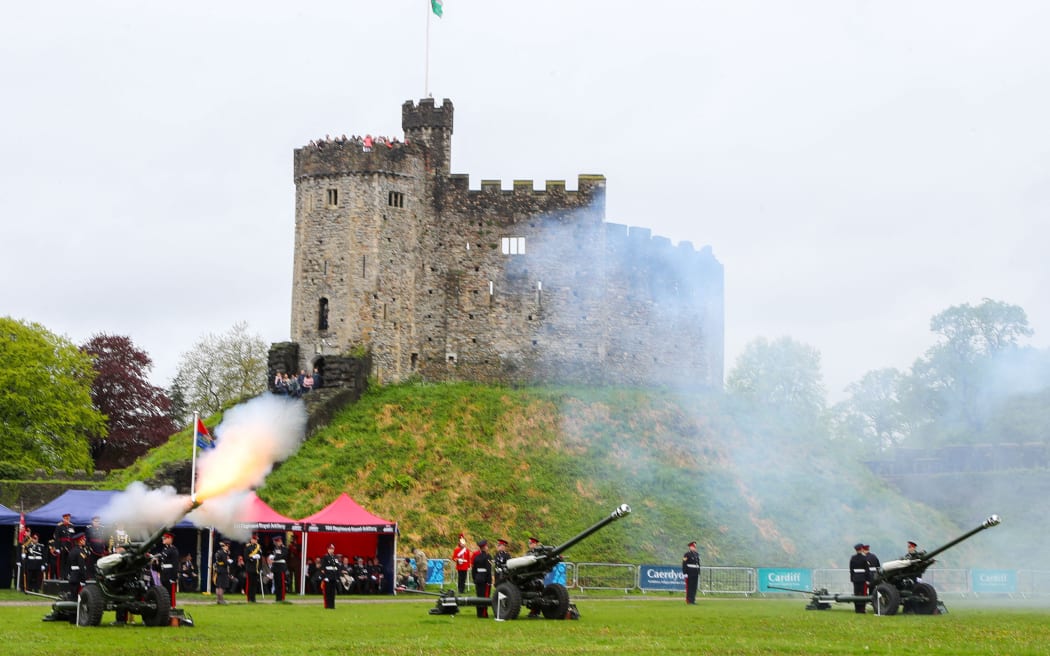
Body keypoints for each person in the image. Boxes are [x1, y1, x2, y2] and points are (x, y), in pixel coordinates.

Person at [156, 532, 179, 608]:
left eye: (165, 538)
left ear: (170, 539)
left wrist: (174, 577)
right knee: (164, 592)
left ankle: (171, 606)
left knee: (169, 592)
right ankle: (166, 606)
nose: (163, 540)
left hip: (169, 574)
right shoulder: (164, 549)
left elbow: (175, 565)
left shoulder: (173, 550)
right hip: (164, 573)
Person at [471, 540, 492, 618]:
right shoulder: (488, 557)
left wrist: (475, 578)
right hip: (485, 579)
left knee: (479, 596)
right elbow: (489, 570)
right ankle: (484, 613)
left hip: (478, 578)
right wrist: (489, 581)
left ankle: (479, 613)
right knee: (485, 597)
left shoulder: (476, 557)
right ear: (484, 547)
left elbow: (474, 570)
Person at [66, 533, 89, 599]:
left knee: (73, 596)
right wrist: (83, 580)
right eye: (83, 540)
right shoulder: (79, 552)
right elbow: (81, 566)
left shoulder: (72, 550)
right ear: (79, 541)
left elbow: (68, 564)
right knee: (78, 598)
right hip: (78, 577)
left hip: (73, 576)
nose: (84, 541)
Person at [849, 543, 869, 614]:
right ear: (861, 549)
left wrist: (852, 578)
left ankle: (857, 609)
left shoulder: (852, 558)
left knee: (856, 593)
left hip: (855, 578)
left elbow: (851, 569)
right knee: (863, 594)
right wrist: (867, 579)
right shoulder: (864, 558)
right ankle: (862, 609)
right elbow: (867, 570)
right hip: (863, 578)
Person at [320, 543, 341, 609]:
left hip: (333, 577)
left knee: (332, 592)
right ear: (328, 549)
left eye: (333, 549)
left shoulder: (335, 558)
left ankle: (332, 606)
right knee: (327, 592)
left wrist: (337, 577)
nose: (332, 550)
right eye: (330, 549)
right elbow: (323, 568)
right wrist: (325, 577)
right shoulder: (325, 557)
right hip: (328, 577)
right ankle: (327, 606)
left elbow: (337, 567)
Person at [270, 534, 290, 602]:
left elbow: (281, 556)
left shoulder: (284, 548)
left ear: (280, 541)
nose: (276, 543)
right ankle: (277, 598)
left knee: (281, 584)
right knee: (276, 583)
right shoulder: (275, 548)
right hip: (275, 567)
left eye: (278, 541)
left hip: (281, 567)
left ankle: (282, 598)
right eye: (276, 542)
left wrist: (274, 558)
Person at [244, 534, 263, 602]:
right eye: (254, 539)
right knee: (250, 584)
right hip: (250, 568)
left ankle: (253, 598)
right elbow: (246, 557)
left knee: (255, 584)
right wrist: (252, 557)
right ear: (251, 540)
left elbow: (260, 558)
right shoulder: (248, 547)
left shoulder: (258, 547)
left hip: (256, 568)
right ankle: (249, 598)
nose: (255, 541)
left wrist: (260, 568)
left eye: (256, 540)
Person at [682, 540, 701, 605]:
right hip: (689, 572)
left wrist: (699, 572)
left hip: (695, 572)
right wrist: (685, 573)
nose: (694, 548)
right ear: (690, 547)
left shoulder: (696, 554)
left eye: (695, 547)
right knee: (689, 587)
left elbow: (698, 564)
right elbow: (684, 564)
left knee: (694, 587)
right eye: (693, 547)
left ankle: (693, 600)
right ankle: (689, 600)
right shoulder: (687, 554)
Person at [213, 539, 232, 604]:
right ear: (225, 546)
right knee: (222, 586)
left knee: (218, 586)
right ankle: (221, 600)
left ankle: (218, 600)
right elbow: (225, 562)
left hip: (218, 569)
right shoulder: (223, 553)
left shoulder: (218, 552)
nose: (228, 547)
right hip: (223, 570)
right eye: (227, 546)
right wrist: (229, 561)